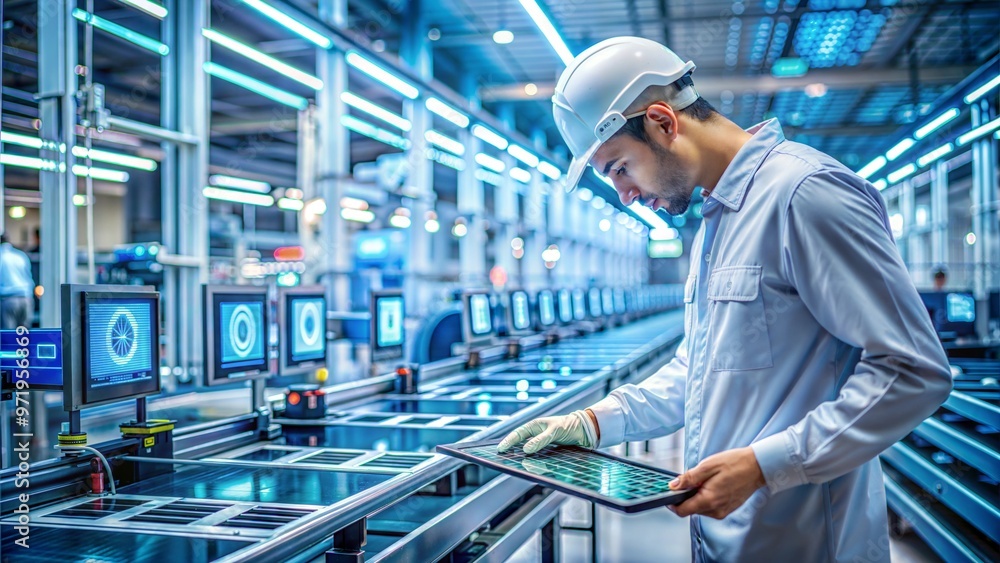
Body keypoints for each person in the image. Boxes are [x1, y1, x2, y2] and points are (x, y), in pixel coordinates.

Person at [499, 37, 952, 562]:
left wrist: (766, 464)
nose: (624, 195)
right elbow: (699, 370)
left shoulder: (804, 193)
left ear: (664, 122)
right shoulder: (716, 225)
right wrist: (595, 422)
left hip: (806, 544)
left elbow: (913, 370)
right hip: (727, 542)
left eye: (619, 168)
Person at [0, 232, 36, 329]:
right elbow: (29, 275)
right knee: (25, 335)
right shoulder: (21, 255)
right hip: (26, 298)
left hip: (8, 299)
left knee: (9, 337)